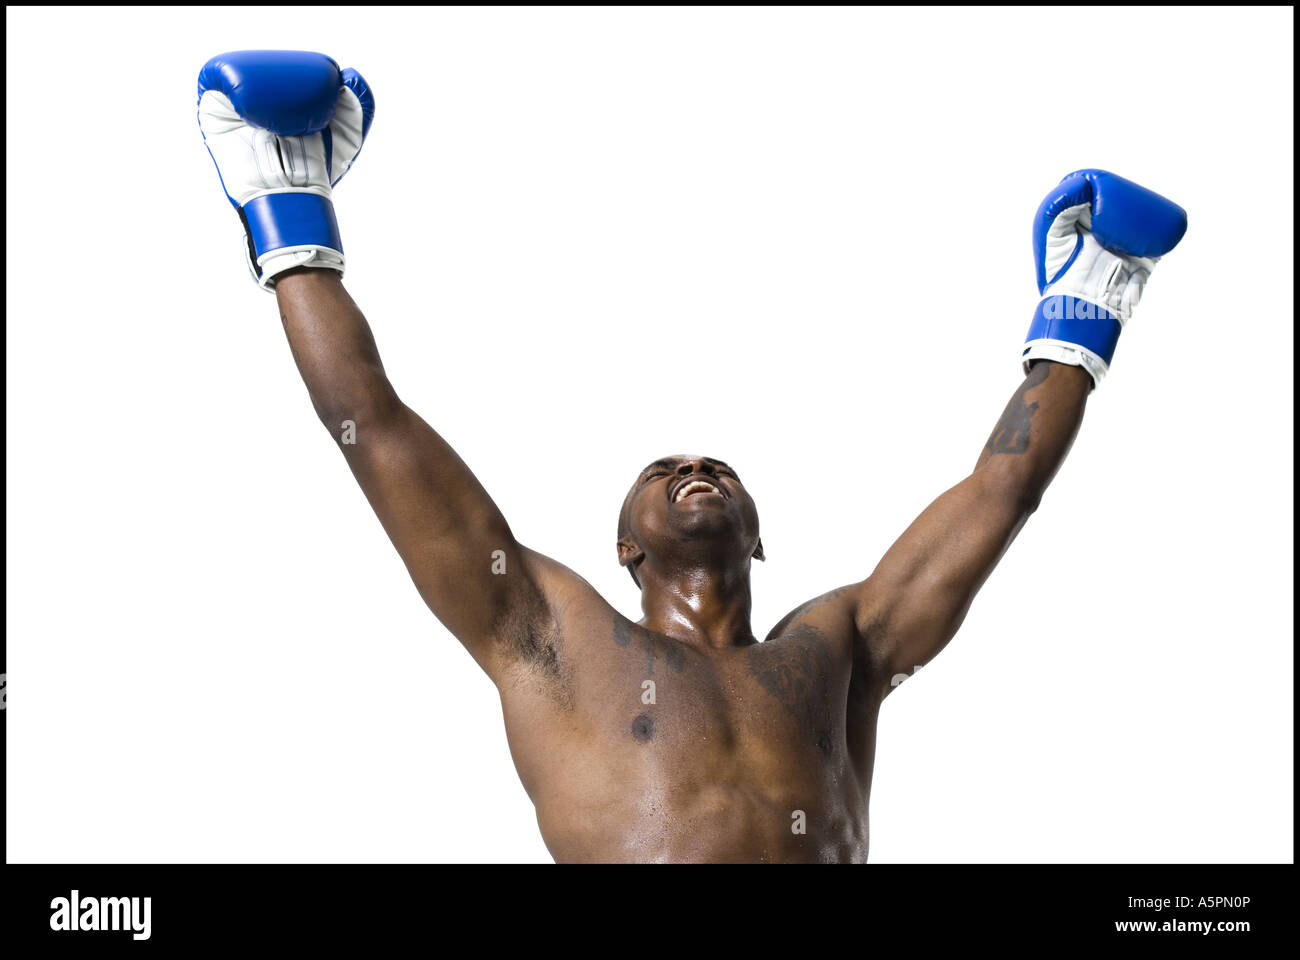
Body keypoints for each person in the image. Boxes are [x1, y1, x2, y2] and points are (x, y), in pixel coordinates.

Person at [198, 51, 1187, 863]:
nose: (693, 469)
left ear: (759, 538)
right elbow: (372, 421)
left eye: (714, 465)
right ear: (623, 546)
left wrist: (1083, 317)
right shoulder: (546, 633)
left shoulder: (842, 647)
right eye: (662, 470)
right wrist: (290, 220)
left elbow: (1002, 490)